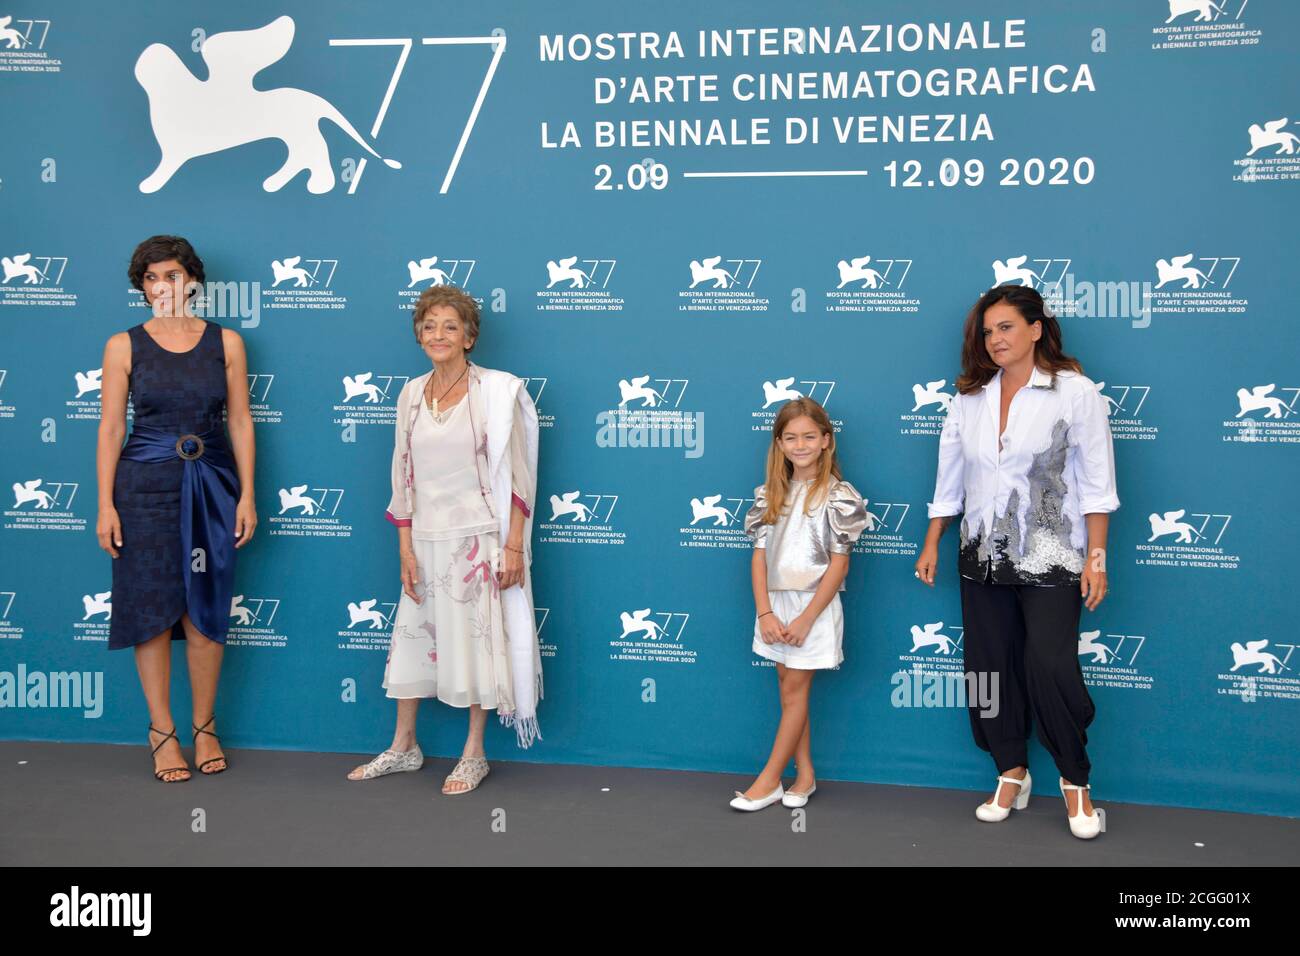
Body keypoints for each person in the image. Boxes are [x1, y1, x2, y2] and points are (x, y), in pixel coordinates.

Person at [915, 284, 1118, 839]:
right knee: (987, 667)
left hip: (1051, 555)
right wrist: (934, 539)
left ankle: (1076, 783)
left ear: (1036, 329)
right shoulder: (970, 397)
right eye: (987, 331)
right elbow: (950, 481)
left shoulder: (1075, 393)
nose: (995, 339)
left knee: (1049, 665)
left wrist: (1095, 559)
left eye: (1006, 327)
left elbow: (1098, 489)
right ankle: (1010, 772)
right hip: (979, 555)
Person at [348, 284, 543, 794]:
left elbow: (521, 480)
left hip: (480, 539)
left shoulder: (497, 392)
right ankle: (403, 746)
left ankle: (474, 753)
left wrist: (514, 546)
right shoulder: (410, 394)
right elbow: (402, 475)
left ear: (469, 337)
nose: (438, 334)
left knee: (477, 647)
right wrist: (405, 549)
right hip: (425, 539)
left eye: (450, 326)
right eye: (429, 325)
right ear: (418, 334)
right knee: (410, 642)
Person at [96, 235, 256, 782]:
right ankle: (162, 732)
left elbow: (239, 422)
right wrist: (104, 505)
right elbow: (113, 427)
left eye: (172, 275)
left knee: (206, 606)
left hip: (212, 482)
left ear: (192, 280)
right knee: (152, 609)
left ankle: (204, 727)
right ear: (141, 287)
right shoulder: (124, 345)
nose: (163, 286)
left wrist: (248, 495)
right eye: (151, 278)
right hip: (143, 487)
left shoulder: (227, 342)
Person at [731, 397, 869, 811]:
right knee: (789, 692)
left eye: (809, 436)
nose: (800, 444)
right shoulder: (769, 494)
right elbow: (759, 557)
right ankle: (805, 775)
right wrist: (765, 612)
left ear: (826, 440)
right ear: (779, 444)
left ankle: (770, 779)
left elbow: (839, 565)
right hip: (774, 605)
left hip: (816, 606)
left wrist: (808, 618)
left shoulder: (839, 495)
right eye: (790, 437)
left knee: (795, 689)